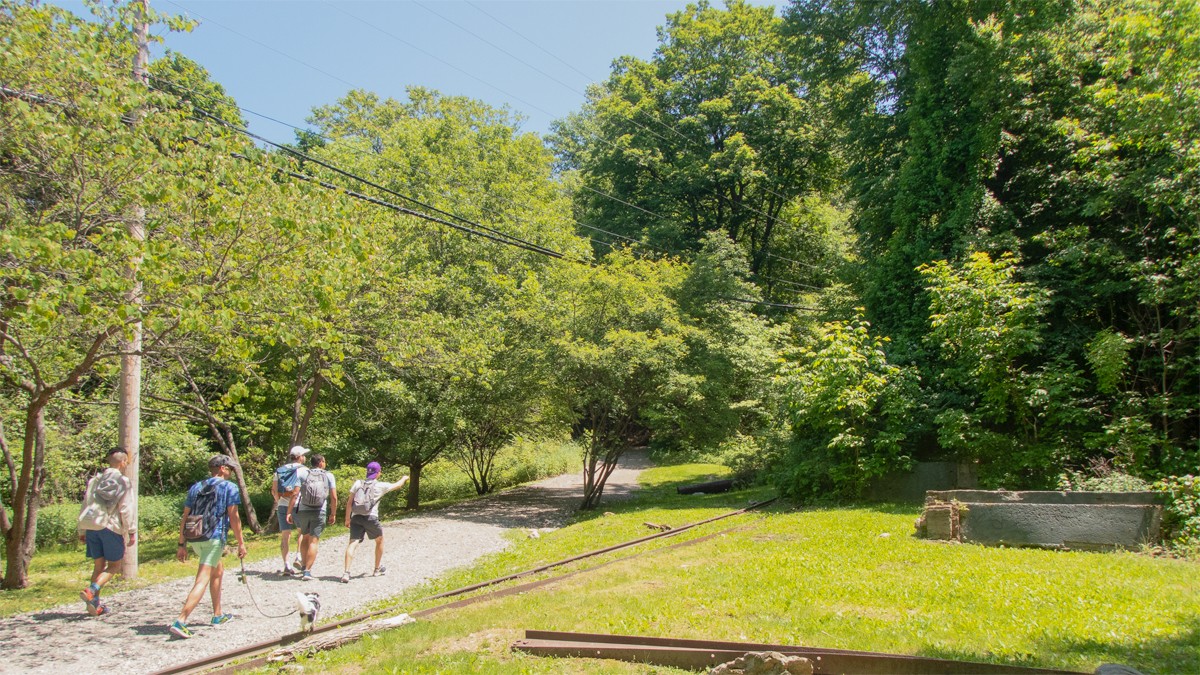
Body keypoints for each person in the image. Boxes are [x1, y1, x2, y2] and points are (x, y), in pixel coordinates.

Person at [168, 454, 247, 639]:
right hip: (214, 537)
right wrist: (241, 543)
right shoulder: (230, 487)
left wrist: (181, 543)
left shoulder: (197, 487)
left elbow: (185, 516)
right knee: (202, 579)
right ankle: (181, 620)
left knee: (217, 571)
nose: (230, 471)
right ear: (221, 468)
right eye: (228, 468)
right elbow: (234, 518)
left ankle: (217, 615)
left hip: (196, 536)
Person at [76, 447, 137, 617]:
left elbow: (86, 504)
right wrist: (131, 530)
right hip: (111, 527)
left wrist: (82, 529)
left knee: (98, 566)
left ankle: (95, 604)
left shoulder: (94, 481)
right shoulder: (124, 482)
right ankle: (92, 590)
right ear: (123, 462)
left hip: (92, 526)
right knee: (115, 566)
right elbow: (126, 509)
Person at [340, 461, 408, 583]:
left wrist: (347, 518)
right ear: (378, 473)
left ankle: (346, 572)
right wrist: (404, 478)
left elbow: (349, 502)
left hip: (356, 517)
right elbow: (397, 485)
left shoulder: (357, 483)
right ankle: (377, 569)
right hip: (371, 517)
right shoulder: (380, 486)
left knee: (353, 543)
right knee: (379, 540)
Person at [286, 453, 336, 581]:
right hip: (320, 511)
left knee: (305, 537)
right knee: (314, 541)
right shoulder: (328, 475)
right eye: (324, 461)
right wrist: (333, 513)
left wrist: (289, 512)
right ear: (320, 463)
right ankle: (307, 572)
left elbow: (295, 494)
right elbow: (334, 497)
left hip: (303, 510)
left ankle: (303, 566)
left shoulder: (303, 474)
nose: (325, 463)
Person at [271, 445, 309, 576]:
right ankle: (298, 556)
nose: (305, 457)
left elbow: (274, 490)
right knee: (302, 531)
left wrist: (279, 501)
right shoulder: (304, 470)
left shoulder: (280, 470)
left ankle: (286, 565)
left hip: (282, 505)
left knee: (285, 535)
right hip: (299, 505)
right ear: (299, 457)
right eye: (303, 455)